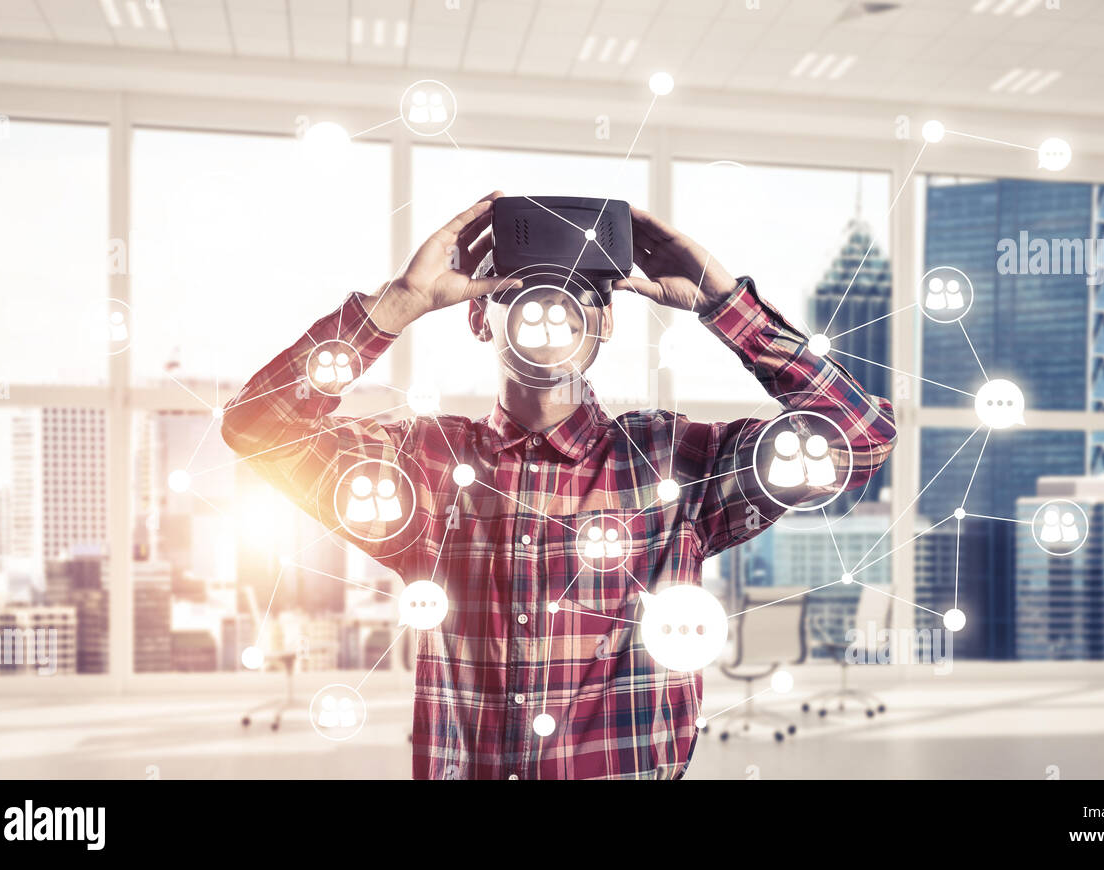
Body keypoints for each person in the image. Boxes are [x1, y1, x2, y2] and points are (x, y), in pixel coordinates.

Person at [222, 192, 896, 780]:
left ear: (604, 322)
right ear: (482, 317)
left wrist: (726, 306)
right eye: (520, 295)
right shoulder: (424, 461)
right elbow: (257, 428)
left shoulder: (671, 463)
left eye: (580, 301)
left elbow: (861, 436)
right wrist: (395, 306)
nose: (552, 316)